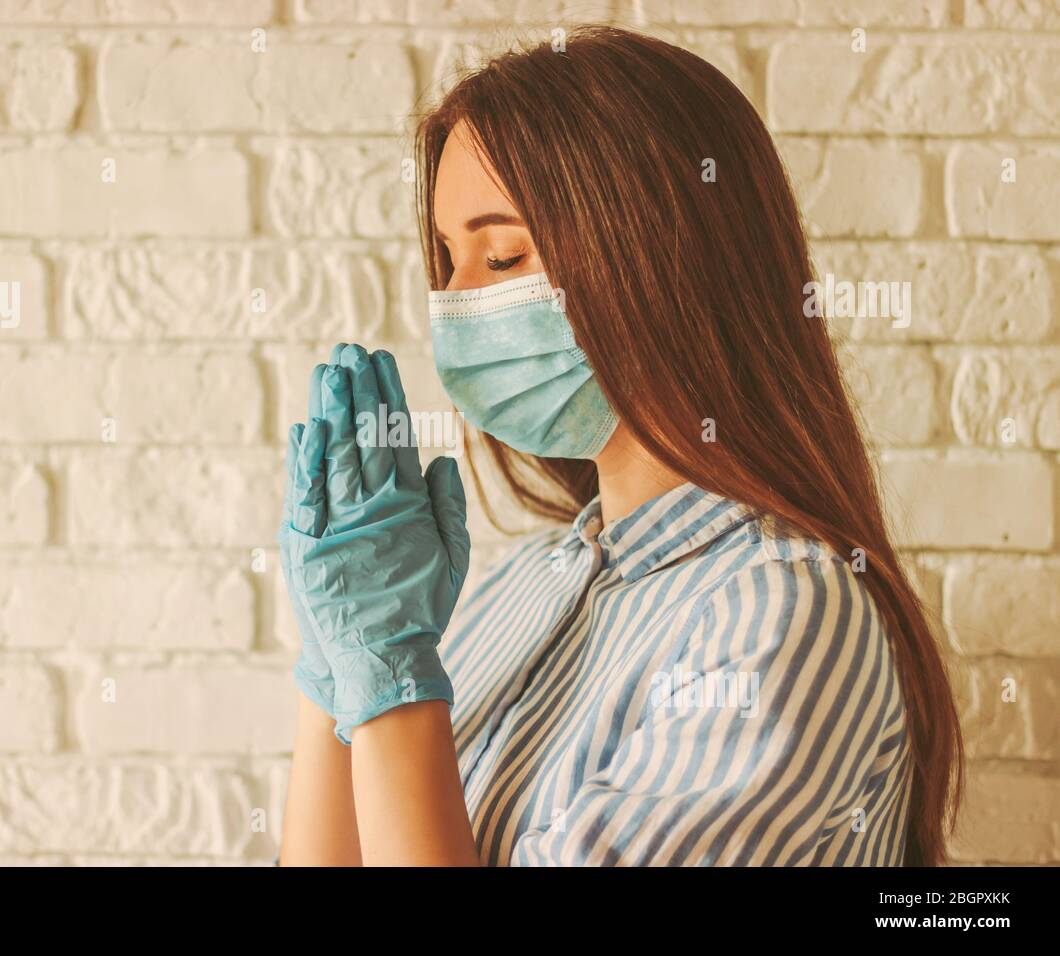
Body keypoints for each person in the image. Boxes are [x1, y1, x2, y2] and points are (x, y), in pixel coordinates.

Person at [276, 25, 962, 867]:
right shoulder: (522, 587)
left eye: (502, 255)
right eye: (448, 260)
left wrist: (391, 674)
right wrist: (336, 665)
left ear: (661, 251)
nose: (451, 302)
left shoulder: (777, 616)